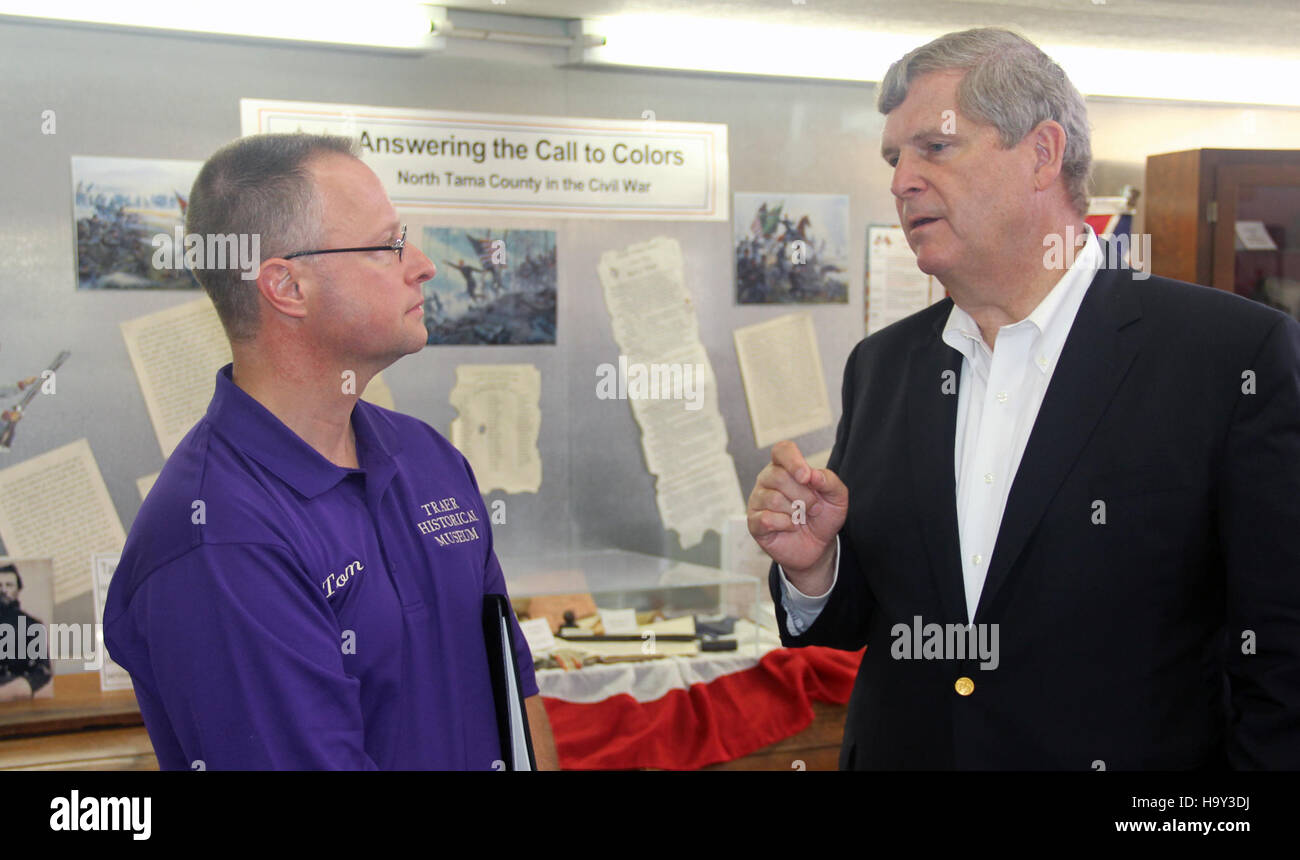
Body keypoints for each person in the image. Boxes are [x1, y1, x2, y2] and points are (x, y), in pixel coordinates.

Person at [747, 28, 1300, 769]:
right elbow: (864, 621)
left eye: (934, 148)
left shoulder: (1228, 357)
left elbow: (1283, 659)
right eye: (893, 158)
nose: (902, 181)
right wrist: (816, 570)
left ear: (1042, 153)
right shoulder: (883, 367)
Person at [104, 133, 557, 770]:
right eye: (386, 246)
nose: (422, 264)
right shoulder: (219, 536)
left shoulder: (429, 460)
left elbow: (515, 694)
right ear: (287, 286)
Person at [0, 563, 52, 702]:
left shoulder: (32, 625)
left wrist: (20, 687)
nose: (3, 590)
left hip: (16, 695)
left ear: (18, 589)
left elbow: (43, 670)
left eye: (9, 585)